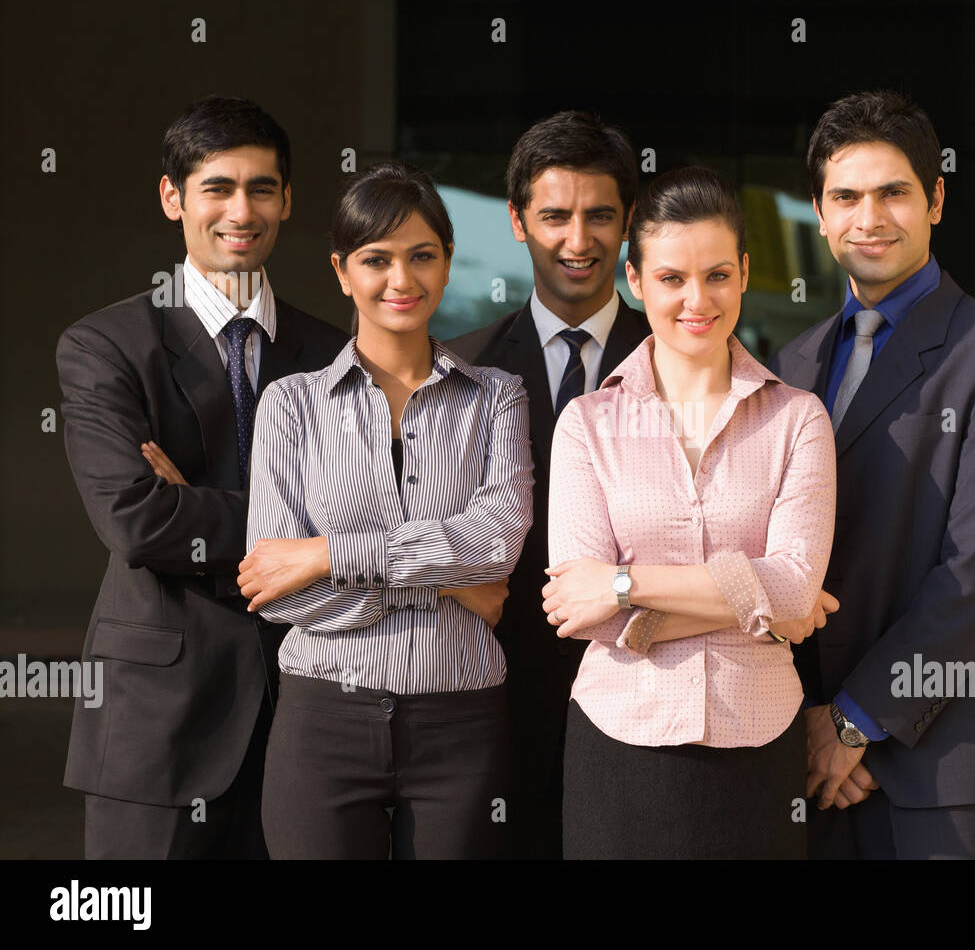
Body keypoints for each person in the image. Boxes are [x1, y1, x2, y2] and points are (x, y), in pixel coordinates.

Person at [769, 90, 975, 859]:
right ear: (820, 214)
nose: (869, 218)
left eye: (893, 192)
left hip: (936, 781)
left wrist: (854, 722)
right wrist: (813, 724)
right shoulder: (791, 365)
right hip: (804, 772)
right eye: (847, 197)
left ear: (935, 199)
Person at [55, 96, 348, 858]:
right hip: (160, 725)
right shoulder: (108, 346)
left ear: (286, 200)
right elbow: (138, 520)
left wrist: (197, 502)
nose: (239, 210)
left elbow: (380, 517)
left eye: (260, 188)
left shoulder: (336, 353)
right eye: (217, 187)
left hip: (311, 710)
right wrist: (306, 539)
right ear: (173, 197)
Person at [238, 160, 533, 859]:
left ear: (449, 262)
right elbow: (274, 593)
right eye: (377, 260)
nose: (401, 281)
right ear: (343, 271)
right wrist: (446, 580)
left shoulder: (497, 396)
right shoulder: (291, 404)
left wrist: (329, 555)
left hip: (462, 726)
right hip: (322, 720)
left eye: (422, 257)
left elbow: (498, 545)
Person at [542, 166, 837, 859]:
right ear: (636, 283)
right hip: (618, 745)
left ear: (743, 273)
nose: (696, 299)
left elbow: (795, 588)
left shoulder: (799, 420)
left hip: (759, 743)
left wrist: (624, 588)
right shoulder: (586, 424)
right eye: (671, 278)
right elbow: (573, 607)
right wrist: (763, 605)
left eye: (716, 275)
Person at [445, 110, 650, 858]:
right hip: (490, 716)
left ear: (629, 221)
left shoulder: (683, 362)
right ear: (517, 221)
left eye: (600, 216)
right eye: (554, 216)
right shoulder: (460, 369)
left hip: (643, 706)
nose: (577, 239)